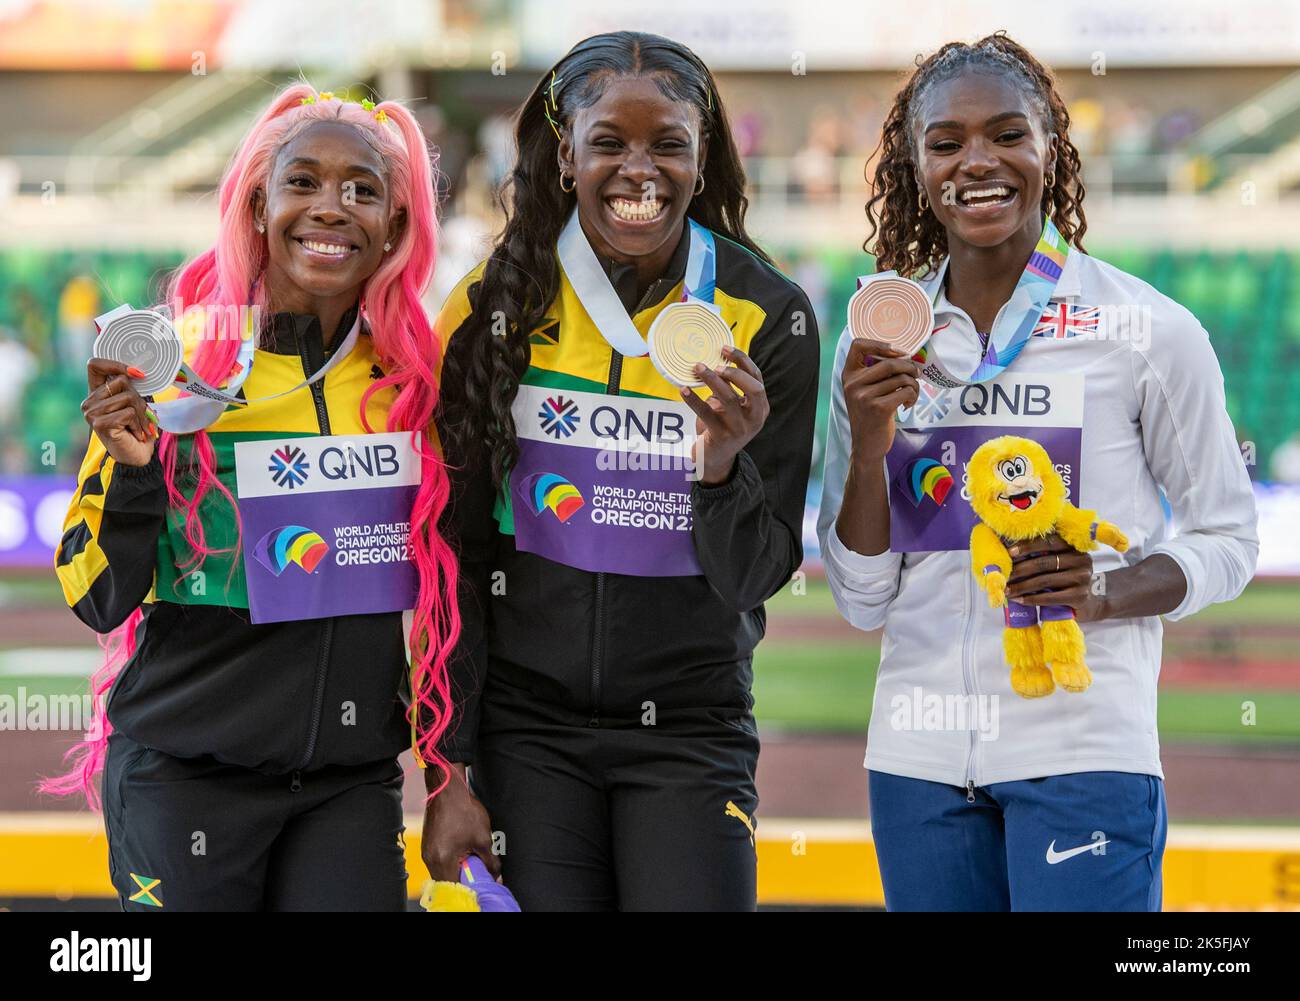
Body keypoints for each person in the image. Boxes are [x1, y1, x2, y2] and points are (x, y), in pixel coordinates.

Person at [817, 33, 1258, 911]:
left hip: (1084, 752)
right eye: (946, 142)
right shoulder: (880, 342)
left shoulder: (1147, 331)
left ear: (1050, 148)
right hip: (917, 761)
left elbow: (1230, 540)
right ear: (916, 167)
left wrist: (1108, 589)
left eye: (1007, 134)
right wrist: (868, 445)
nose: (977, 161)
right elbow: (863, 599)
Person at [421, 31, 821, 911]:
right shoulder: (491, 309)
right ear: (567, 155)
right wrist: (446, 769)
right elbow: (453, 559)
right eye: (609, 142)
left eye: (668, 143)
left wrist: (720, 469)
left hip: (691, 730)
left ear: (702, 155)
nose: (640, 170)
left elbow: (755, 574)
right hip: (528, 734)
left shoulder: (769, 316)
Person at [44, 85, 458, 911]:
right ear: (260, 205)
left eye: (362, 189)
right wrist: (135, 472)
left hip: (347, 783)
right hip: (184, 780)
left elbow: (455, 593)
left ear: (394, 225)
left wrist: (451, 775)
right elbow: (96, 595)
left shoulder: (412, 384)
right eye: (303, 182)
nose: (330, 207)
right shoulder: (178, 369)